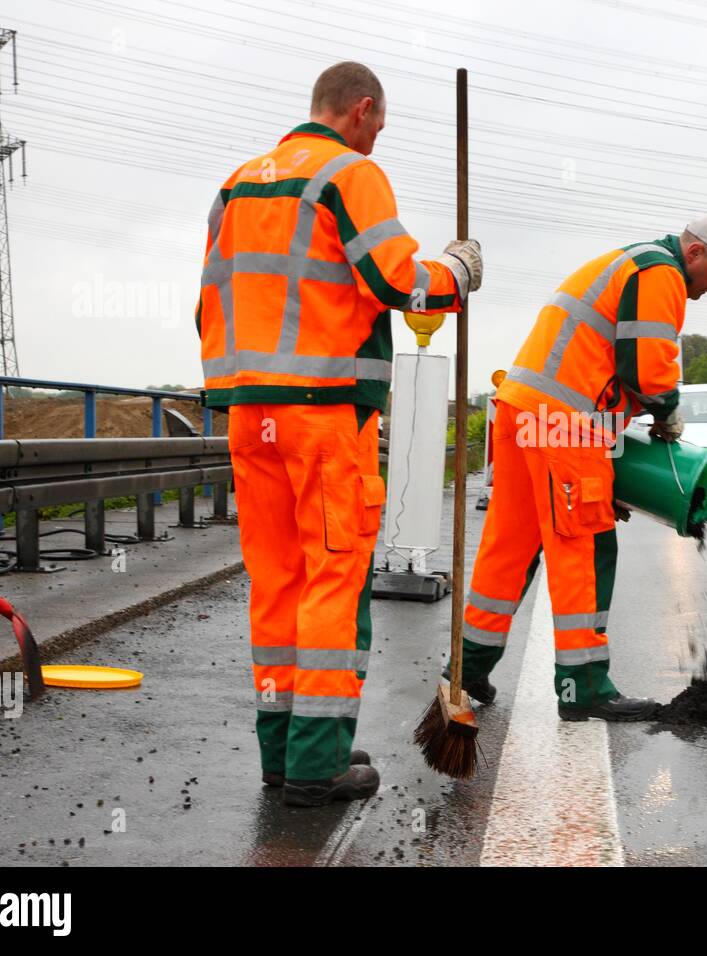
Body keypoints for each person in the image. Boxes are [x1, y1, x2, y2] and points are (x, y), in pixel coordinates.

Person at [196, 62, 482, 806]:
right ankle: (318, 763)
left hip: (247, 414)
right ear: (360, 112)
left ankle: (283, 751)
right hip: (322, 414)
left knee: (277, 581)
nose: (376, 143)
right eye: (378, 129)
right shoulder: (347, 175)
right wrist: (457, 271)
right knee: (332, 577)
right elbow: (398, 281)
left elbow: (209, 309)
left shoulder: (237, 184)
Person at [452, 216, 707, 720]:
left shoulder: (626, 261)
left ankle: (466, 668)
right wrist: (666, 411)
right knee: (587, 545)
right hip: (565, 427)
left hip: (521, 414)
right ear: (696, 252)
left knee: (511, 546)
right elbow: (646, 366)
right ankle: (583, 687)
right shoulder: (660, 274)